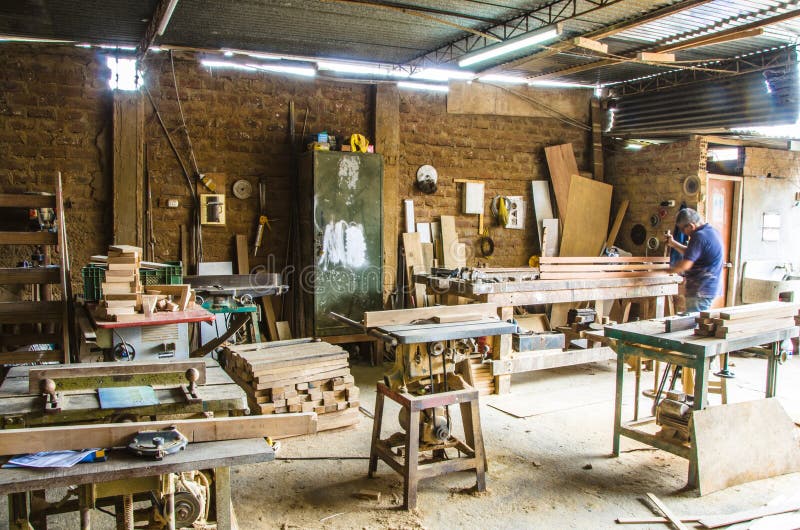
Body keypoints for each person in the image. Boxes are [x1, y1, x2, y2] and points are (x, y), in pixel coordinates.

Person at [663, 208, 724, 313]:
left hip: (701, 290)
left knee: (693, 323)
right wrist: (673, 244)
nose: (683, 233)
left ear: (691, 226)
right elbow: (692, 253)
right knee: (697, 321)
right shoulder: (711, 232)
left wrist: (664, 272)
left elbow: (685, 265)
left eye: (683, 230)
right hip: (708, 288)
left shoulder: (699, 237)